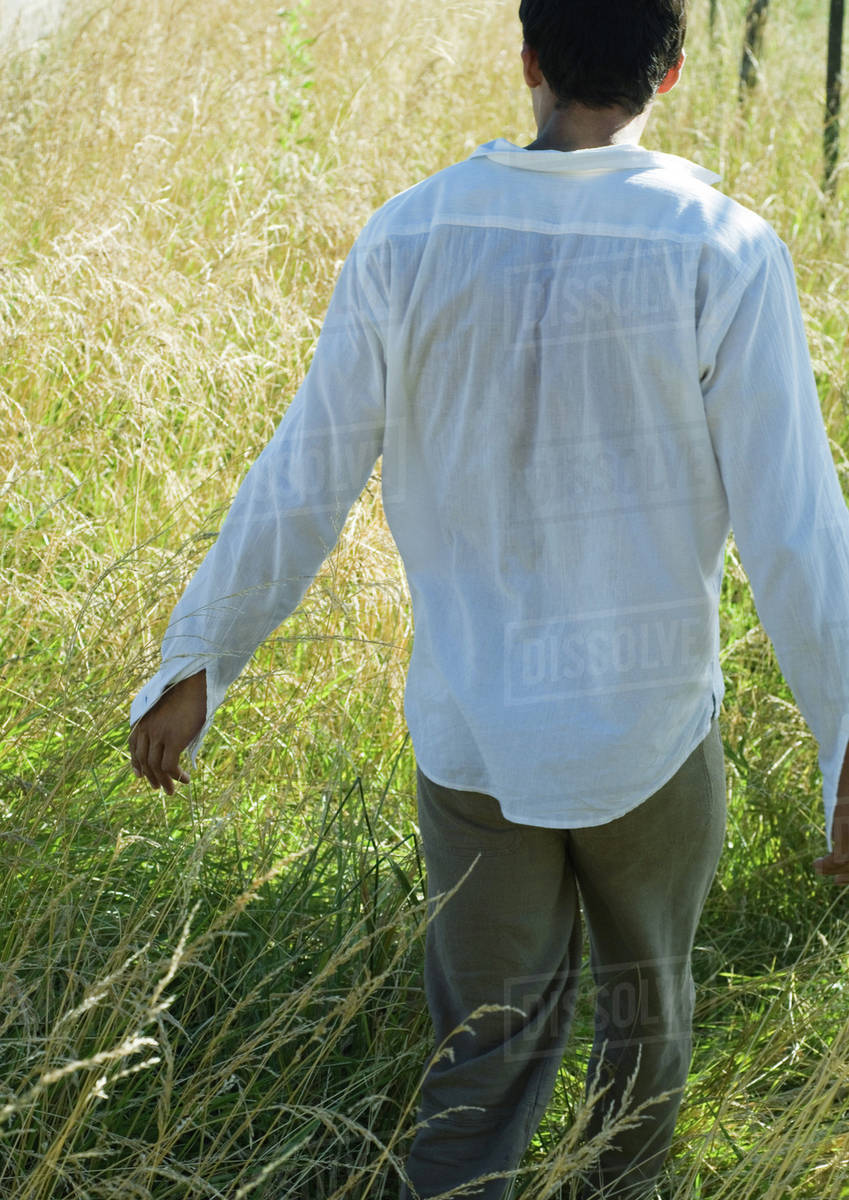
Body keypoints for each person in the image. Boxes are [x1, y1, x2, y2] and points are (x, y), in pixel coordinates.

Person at [129, 1, 849, 1195]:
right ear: (671, 69)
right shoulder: (725, 250)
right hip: (652, 747)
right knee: (643, 1064)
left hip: (472, 745)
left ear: (527, 62)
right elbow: (797, 524)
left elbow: (304, 471)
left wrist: (200, 655)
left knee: (479, 1077)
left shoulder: (409, 239)